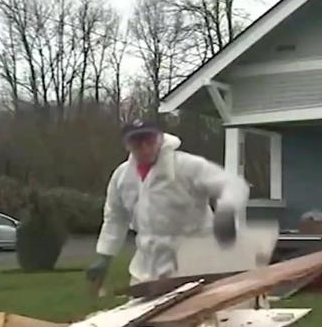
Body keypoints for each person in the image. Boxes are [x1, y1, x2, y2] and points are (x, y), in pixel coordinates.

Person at [86, 119, 250, 288]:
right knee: (145, 314)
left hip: (197, 265)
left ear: (160, 138)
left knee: (201, 313)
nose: (144, 147)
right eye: (136, 142)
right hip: (147, 271)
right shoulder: (122, 176)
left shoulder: (187, 166)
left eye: (149, 140)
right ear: (126, 144)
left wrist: (227, 210)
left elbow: (232, 184)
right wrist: (105, 256)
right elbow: (115, 217)